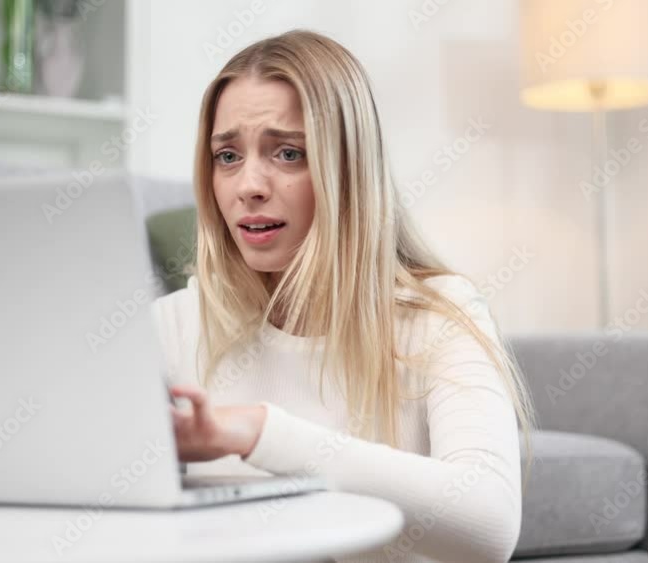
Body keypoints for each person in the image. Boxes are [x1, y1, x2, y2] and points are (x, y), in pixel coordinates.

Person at [154, 29, 534, 563]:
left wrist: (260, 432)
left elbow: (490, 525)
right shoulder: (173, 326)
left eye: (288, 153)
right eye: (227, 156)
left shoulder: (438, 316)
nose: (248, 186)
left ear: (348, 171)